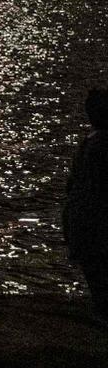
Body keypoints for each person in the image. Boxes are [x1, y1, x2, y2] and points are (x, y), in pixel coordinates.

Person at [65, 87, 108, 314]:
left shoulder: (86, 147)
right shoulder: (98, 148)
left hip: (83, 228)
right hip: (95, 230)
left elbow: (73, 188)